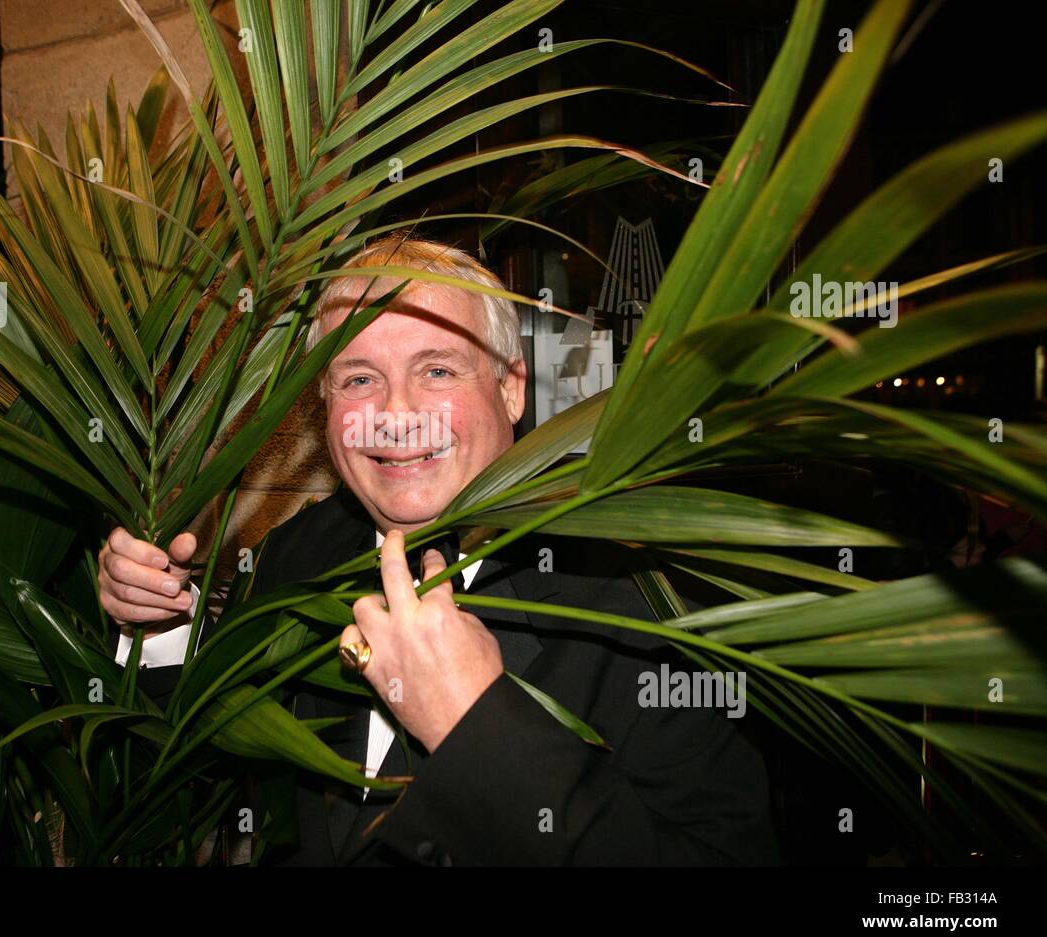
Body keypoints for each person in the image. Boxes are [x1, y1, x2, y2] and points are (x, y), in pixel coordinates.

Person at [98, 233, 779, 865]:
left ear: (511, 389)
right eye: (359, 379)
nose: (398, 414)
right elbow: (230, 760)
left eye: (438, 371)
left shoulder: (641, 600)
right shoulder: (299, 553)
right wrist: (167, 631)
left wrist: (478, 728)